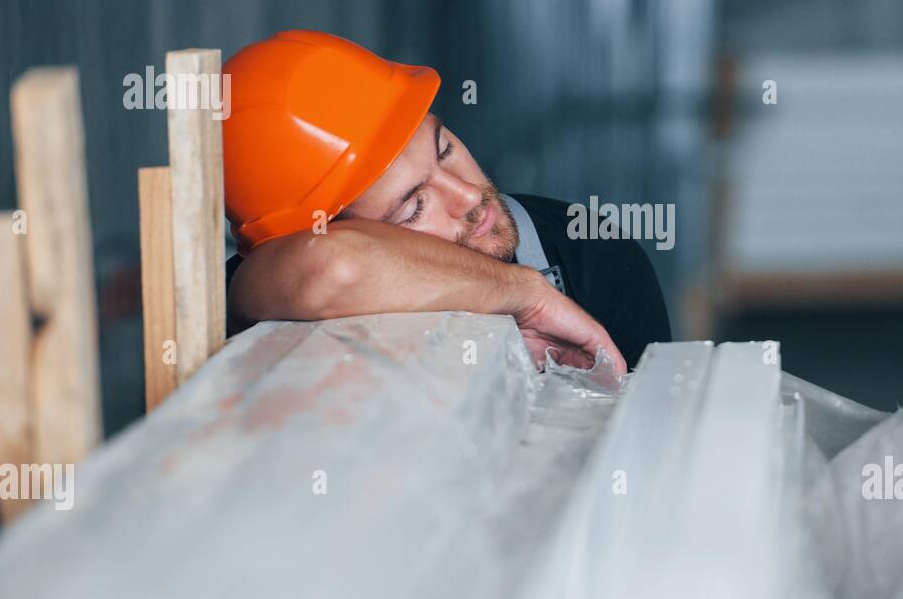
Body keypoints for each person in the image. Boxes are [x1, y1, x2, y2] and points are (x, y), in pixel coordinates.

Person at [221, 30, 670, 374]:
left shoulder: (595, 258)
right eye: (414, 206)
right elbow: (335, 268)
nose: (470, 195)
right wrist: (527, 295)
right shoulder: (259, 296)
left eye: (445, 150)